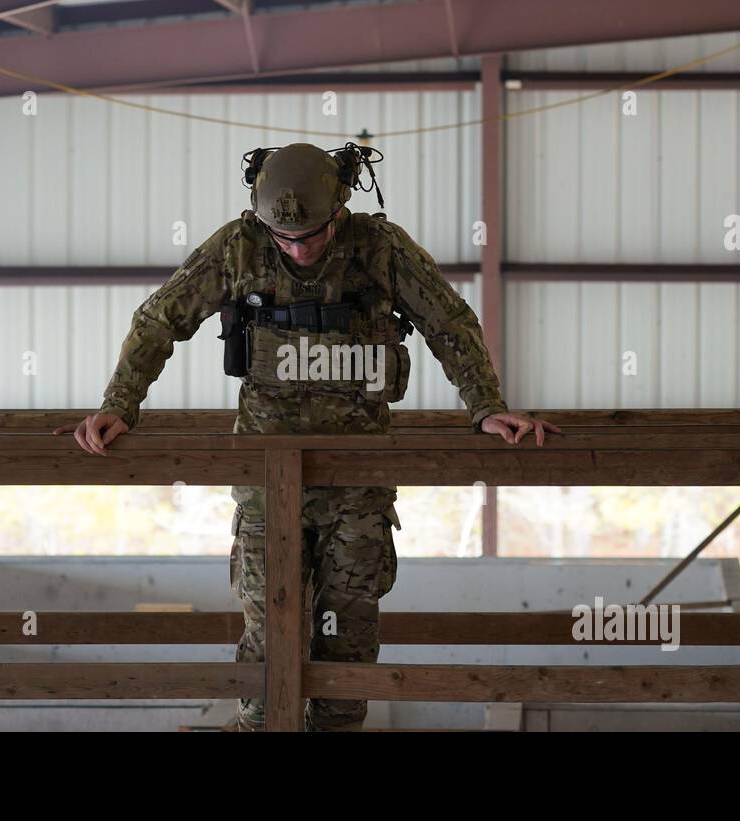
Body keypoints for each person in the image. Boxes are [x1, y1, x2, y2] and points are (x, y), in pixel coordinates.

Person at [56, 142, 560, 731]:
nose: (297, 248)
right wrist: (120, 405)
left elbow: (448, 322)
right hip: (267, 481)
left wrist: (486, 408)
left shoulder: (380, 249)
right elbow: (158, 320)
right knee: (268, 638)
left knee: (346, 637)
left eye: (311, 236)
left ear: (341, 209)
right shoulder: (238, 249)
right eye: (283, 237)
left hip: (358, 481)